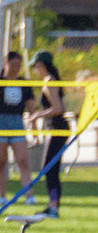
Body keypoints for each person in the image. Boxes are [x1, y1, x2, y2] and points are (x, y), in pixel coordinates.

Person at [24, 51, 68, 217]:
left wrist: (36, 115)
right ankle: (53, 206)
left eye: (35, 67)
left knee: (49, 168)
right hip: (55, 128)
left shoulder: (49, 81)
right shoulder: (50, 80)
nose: (35, 70)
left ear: (41, 65)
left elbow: (58, 109)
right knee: (50, 168)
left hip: (57, 128)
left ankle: (54, 207)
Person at [0, 52, 34, 205]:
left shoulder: (24, 83)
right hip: (1, 121)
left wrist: (33, 123)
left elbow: (31, 105)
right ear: (6, 64)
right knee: (1, 161)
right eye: (13, 65)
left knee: (23, 160)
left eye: (18, 66)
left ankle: (29, 195)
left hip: (17, 122)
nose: (16, 69)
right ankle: (1, 196)